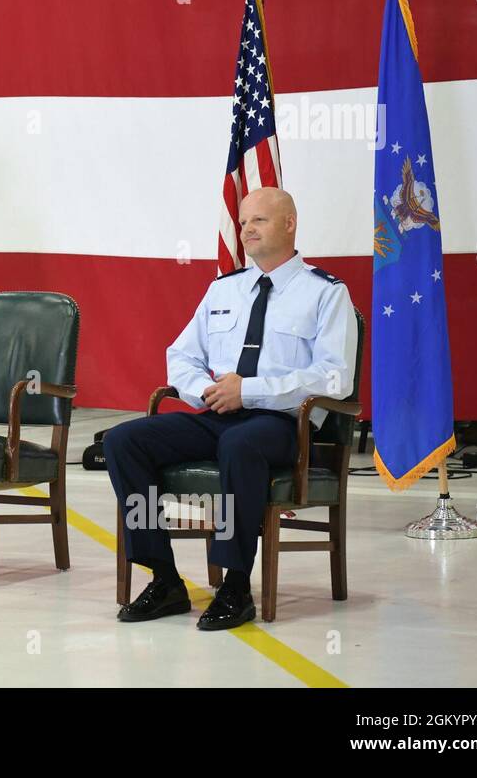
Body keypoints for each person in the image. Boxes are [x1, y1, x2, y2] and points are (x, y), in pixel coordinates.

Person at [104, 187, 357, 630]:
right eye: (243, 223)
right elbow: (180, 355)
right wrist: (205, 390)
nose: (246, 230)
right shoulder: (225, 289)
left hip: (282, 426)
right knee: (124, 440)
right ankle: (164, 579)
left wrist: (252, 391)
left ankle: (235, 586)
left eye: (258, 220)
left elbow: (335, 378)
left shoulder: (325, 293)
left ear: (289, 224)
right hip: (220, 414)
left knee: (241, 444)